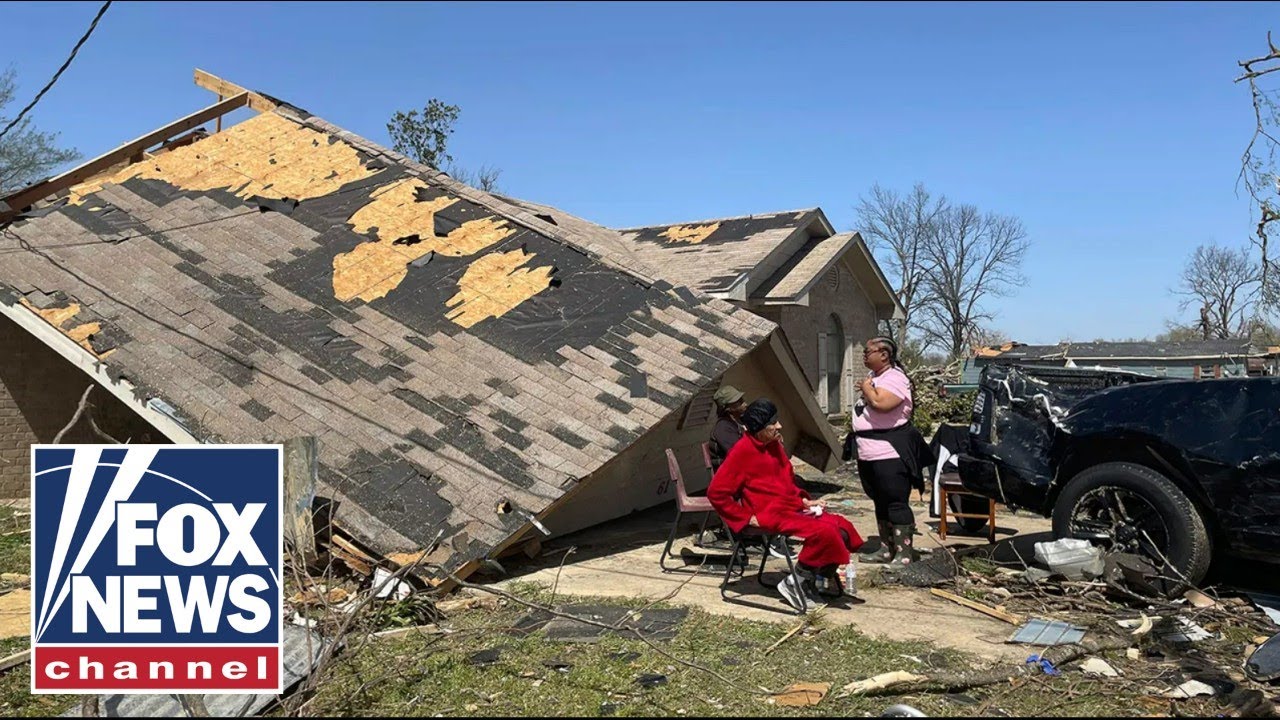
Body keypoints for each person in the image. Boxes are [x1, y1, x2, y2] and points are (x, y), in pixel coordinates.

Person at [708, 398, 864, 612]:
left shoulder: (773, 446)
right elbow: (716, 492)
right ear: (759, 428)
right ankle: (795, 582)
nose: (779, 426)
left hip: (788, 507)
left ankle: (816, 579)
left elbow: (786, 480)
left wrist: (804, 501)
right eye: (773, 423)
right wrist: (744, 517)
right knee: (824, 532)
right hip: (766, 513)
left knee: (843, 527)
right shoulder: (741, 452)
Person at [850, 336, 934, 565]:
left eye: (868, 351)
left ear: (884, 355)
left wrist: (867, 388)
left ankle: (904, 554)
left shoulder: (895, 378)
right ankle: (886, 548)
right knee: (880, 501)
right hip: (868, 450)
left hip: (890, 452)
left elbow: (881, 404)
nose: (864, 355)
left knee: (896, 501)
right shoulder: (875, 377)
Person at [708, 385, 747, 472]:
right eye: (739, 402)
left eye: (742, 400)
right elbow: (740, 455)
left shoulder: (736, 423)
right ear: (728, 409)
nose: (745, 404)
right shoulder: (723, 428)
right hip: (729, 477)